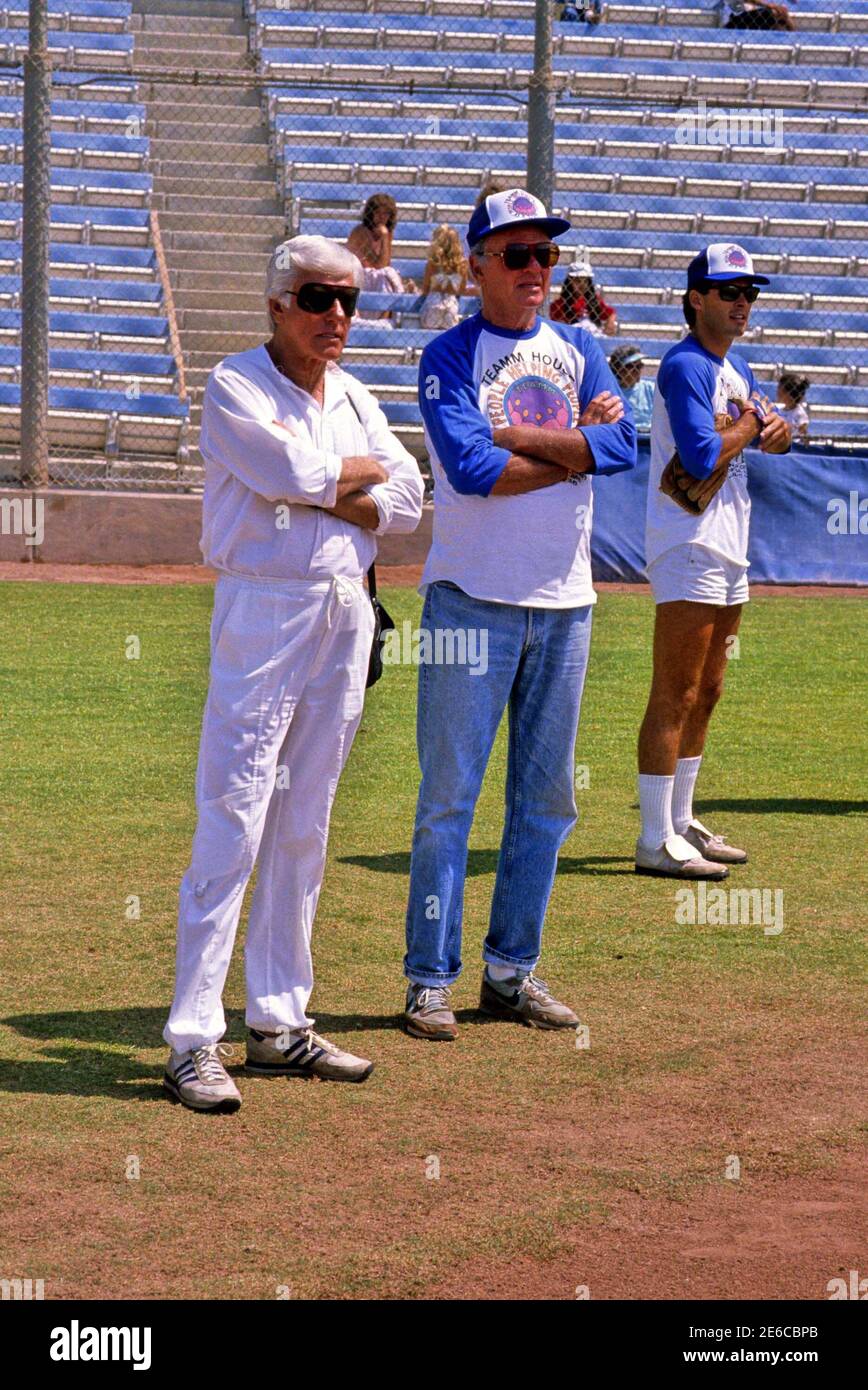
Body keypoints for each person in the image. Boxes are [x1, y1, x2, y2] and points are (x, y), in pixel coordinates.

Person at [163, 234, 424, 1112]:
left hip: (344, 608)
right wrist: (347, 481)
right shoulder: (236, 384)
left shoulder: (352, 393)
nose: (337, 317)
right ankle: (195, 1037)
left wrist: (328, 484)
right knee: (234, 817)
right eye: (318, 299)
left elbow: (409, 494)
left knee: (305, 820)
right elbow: (290, 468)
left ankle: (277, 1021)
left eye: (347, 300)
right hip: (264, 608)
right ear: (278, 304)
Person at [402, 188, 637, 1042]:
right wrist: (574, 448)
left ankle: (511, 972)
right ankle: (430, 978)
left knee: (545, 801)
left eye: (546, 255)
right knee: (448, 801)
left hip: (566, 606)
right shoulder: (448, 354)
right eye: (516, 255)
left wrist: (533, 440)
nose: (537, 270)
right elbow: (469, 468)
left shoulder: (579, 346)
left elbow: (623, 448)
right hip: (471, 600)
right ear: (477, 267)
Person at [636, 243, 790, 880]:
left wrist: (772, 430)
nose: (742, 303)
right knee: (676, 689)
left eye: (749, 293)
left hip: (727, 541)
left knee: (710, 690)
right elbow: (700, 456)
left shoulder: (736, 364)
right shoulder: (685, 364)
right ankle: (652, 838)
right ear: (696, 298)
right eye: (729, 292)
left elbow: (765, 429)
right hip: (689, 540)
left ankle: (681, 821)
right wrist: (756, 424)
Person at [347, 193, 408, 329]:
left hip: (377, 277)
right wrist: (385, 236)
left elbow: (385, 264)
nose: (382, 217)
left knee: (388, 275)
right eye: (378, 212)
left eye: (386, 213)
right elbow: (378, 265)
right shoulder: (360, 231)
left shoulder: (386, 233)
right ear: (371, 212)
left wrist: (385, 237)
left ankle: (384, 321)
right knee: (385, 274)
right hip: (359, 275)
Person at [418, 224, 469, 331]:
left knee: (428, 334)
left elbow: (426, 288)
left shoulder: (433, 263)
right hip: (451, 304)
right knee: (448, 335)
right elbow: (461, 289)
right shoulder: (462, 264)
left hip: (433, 302)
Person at [549, 257, 618, 336]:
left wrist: (610, 323)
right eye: (577, 281)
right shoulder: (560, 304)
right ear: (570, 282)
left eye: (585, 281)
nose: (582, 285)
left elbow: (610, 313)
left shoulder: (593, 301)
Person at [609, 344, 655, 432]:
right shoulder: (611, 391)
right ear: (619, 369)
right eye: (631, 367)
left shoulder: (649, 389)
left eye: (639, 366)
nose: (637, 370)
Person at [776, 372, 810, 441]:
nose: (777, 392)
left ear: (790, 395)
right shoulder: (779, 410)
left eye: (781, 390)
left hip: (794, 446)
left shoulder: (799, 413)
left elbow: (804, 434)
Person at [718, 0, 794, 30]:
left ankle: (791, 38)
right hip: (733, 22)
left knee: (781, 11)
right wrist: (769, 6)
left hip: (748, 20)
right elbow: (738, 9)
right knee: (775, 12)